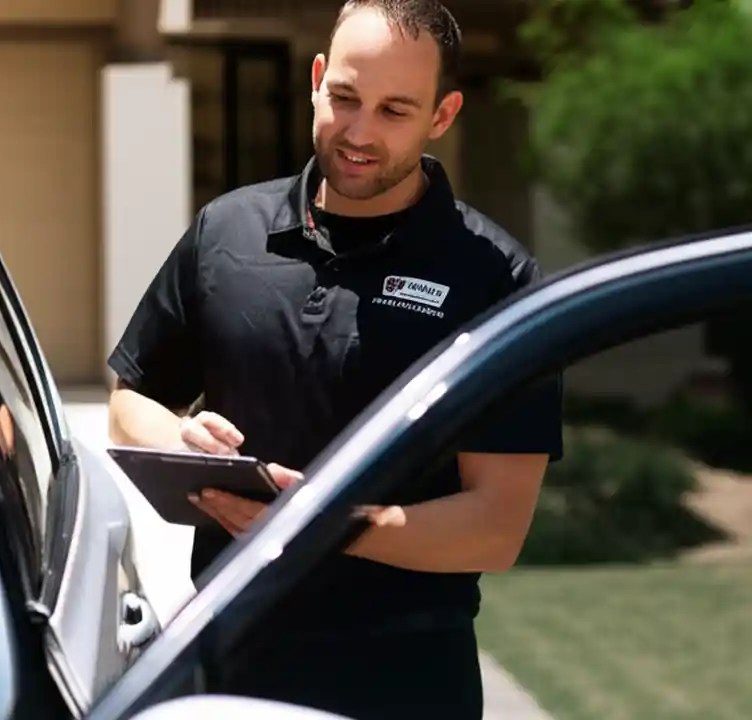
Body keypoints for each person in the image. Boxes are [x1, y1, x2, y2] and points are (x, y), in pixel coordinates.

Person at [107, 1, 563, 718]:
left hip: (405, 683)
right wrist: (180, 439)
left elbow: (497, 525)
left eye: (394, 111)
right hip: (228, 666)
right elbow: (130, 400)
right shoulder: (227, 232)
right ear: (318, 79)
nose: (358, 133)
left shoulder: (495, 277)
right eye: (345, 98)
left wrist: (317, 524)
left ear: (442, 116)